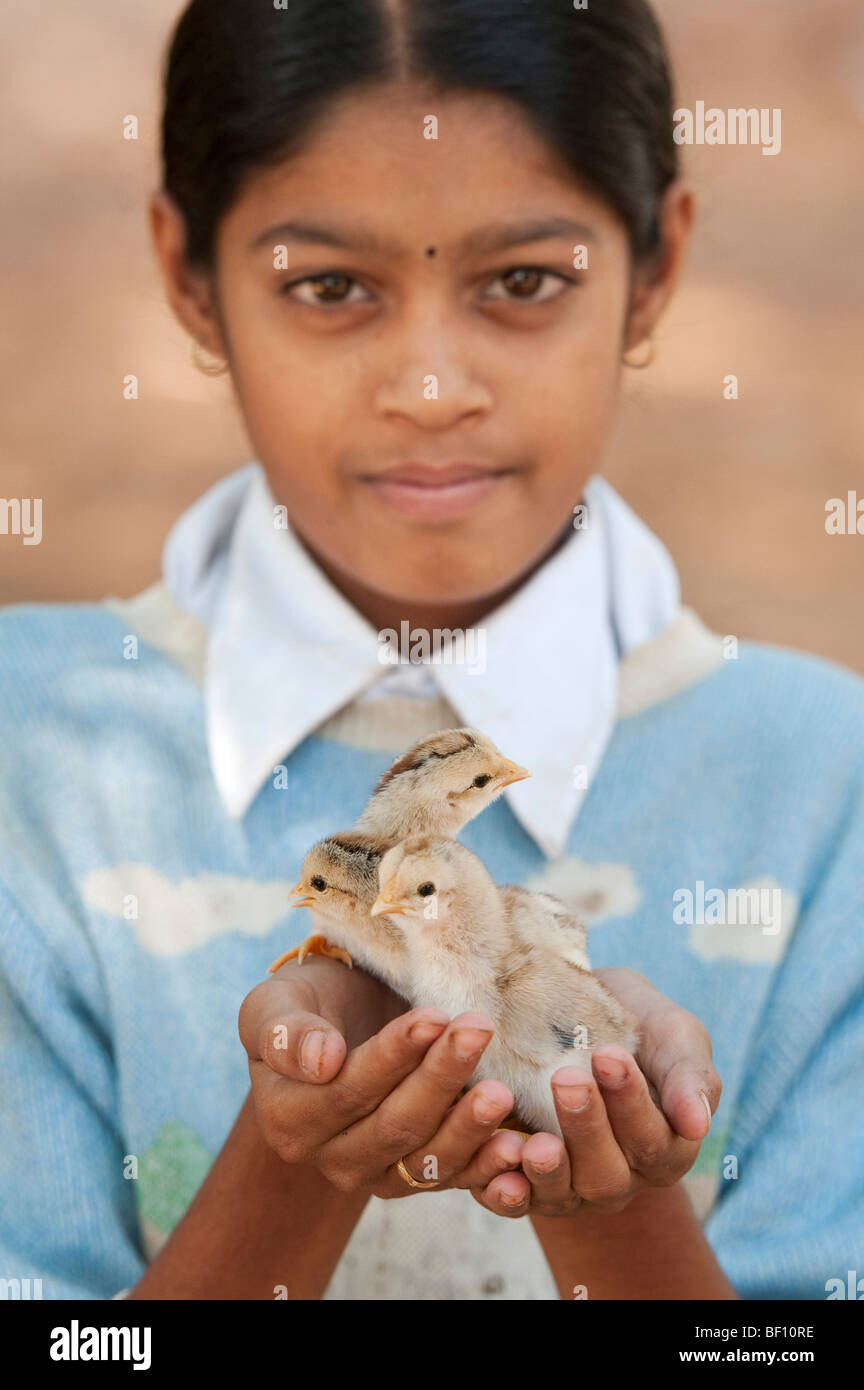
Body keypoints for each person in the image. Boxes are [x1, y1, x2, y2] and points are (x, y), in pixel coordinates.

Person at [1, 0, 862, 1302]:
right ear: (190, 277)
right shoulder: (31, 763)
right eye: (330, 286)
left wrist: (618, 1202)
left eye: (523, 281)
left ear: (658, 265)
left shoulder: (825, 793)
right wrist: (298, 1156)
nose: (430, 385)